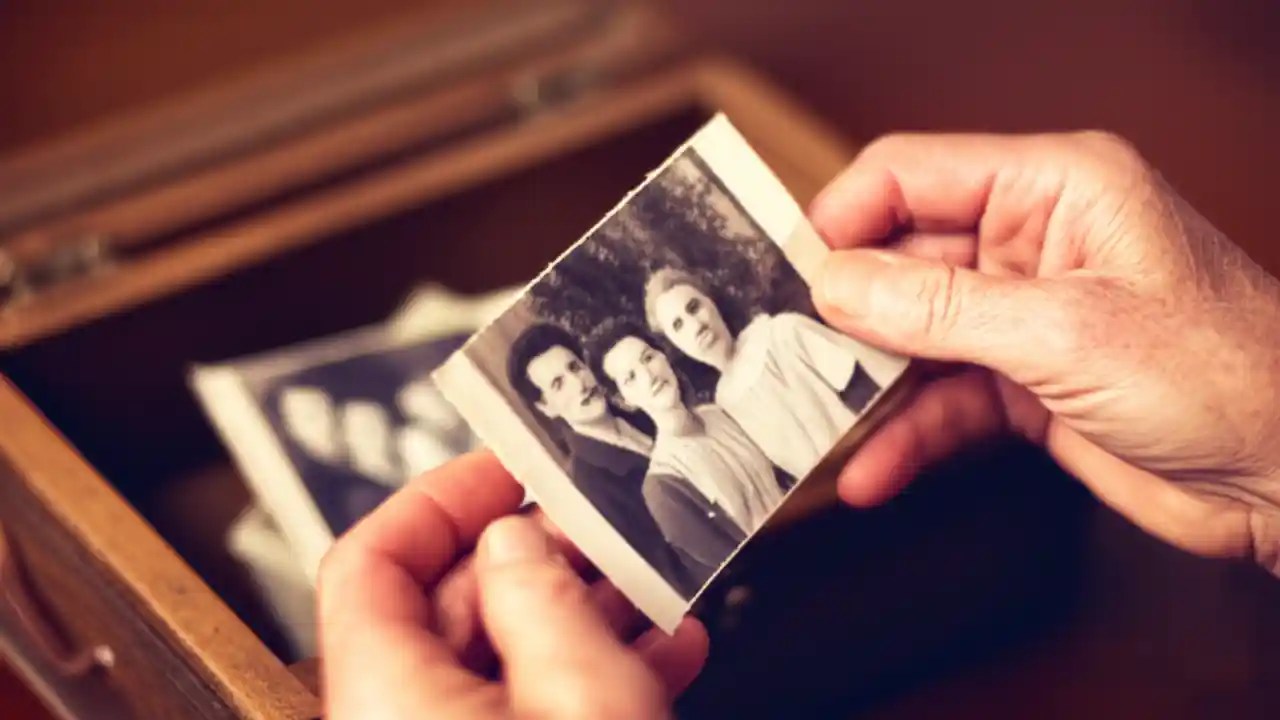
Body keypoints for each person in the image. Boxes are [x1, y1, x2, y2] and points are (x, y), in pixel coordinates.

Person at [318, 131, 1280, 718]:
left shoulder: (762, 352)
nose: (665, 348)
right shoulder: (655, 465)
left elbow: (849, 387)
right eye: (602, 368)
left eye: (672, 331)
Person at [643, 267, 899, 480]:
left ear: (712, 302)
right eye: (677, 325)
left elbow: (870, 384)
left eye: (694, 307)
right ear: (675, 344)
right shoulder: (725, 403)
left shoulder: (781, 332)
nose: (695, 325)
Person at [506, 323, 703, 597]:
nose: (579, 383)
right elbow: (667, 575)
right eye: (558, 384)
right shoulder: (590, 484)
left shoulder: (642, 409)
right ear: (546, 406)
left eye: (575, 367)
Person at [588, 321, 786, 571]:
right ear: (623, 400)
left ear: (664, 356)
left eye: (648, 358)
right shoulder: (664, 486)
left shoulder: (719, 412)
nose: (649, 376)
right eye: (630, 377)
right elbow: (729, 569)